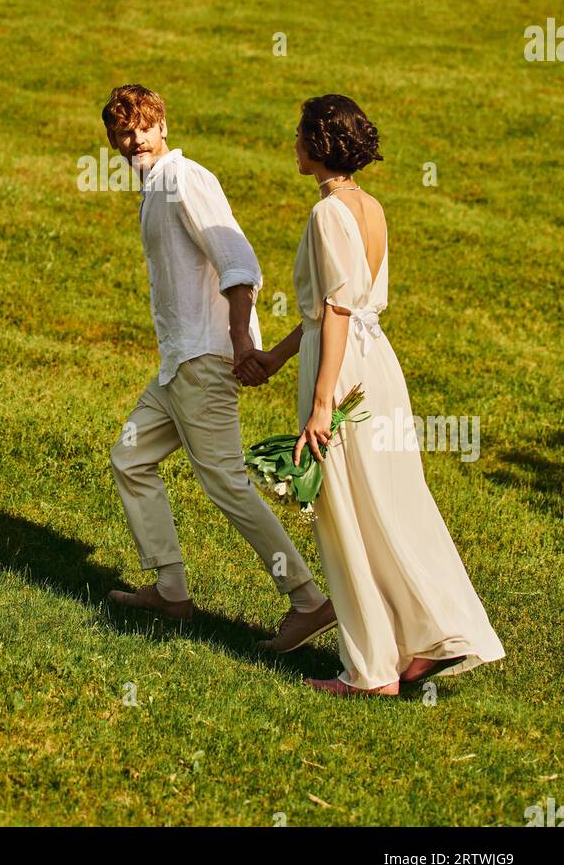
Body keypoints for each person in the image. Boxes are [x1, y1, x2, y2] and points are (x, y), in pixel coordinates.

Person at [235, 94, 506, 695]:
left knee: (346, 513)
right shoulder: (371, 207)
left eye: (301, 133)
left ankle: (371, 670)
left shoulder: (326, 215)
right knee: (388, 502)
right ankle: (430, 635)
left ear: (319, 144)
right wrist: (279, 358)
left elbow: (334, 308)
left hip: (341, 368)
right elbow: (343, 305)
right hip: (374, 362)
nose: (294, 142)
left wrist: (321, 401)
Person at [103, 83, 334, 649]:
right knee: (130, 457)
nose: (134, 140)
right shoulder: (155, 189)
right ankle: (172, 590)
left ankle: (307, 600)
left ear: (163, 127)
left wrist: (238, 340)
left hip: (204, 359)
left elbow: (238, 262)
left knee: (227, 485)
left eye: (142, 128)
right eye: (122, 133)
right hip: (176, 365)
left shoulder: (183, 179)